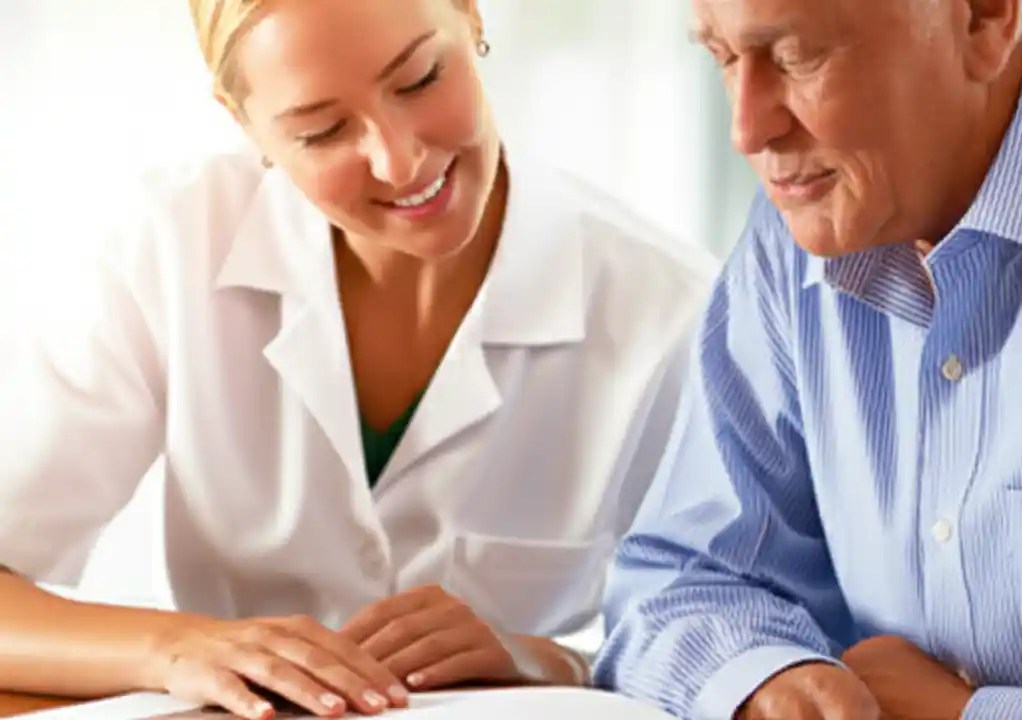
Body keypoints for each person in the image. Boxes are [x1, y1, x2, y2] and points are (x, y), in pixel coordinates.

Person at [0, 0, 715, 717]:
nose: (398, 159)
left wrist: (546, 658)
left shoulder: (672, 308)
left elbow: (739, 632)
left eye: (420, 80)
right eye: (322, 130)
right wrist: (177, 648)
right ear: (244, 122)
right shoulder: (170, 246)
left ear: (470, 17)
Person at [595, 0, 1022, 718]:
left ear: (985, 18)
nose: (746, 128)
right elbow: (677, 580)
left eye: (797, 57)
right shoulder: (799, 226)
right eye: (723, 57)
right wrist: (774, 678)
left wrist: (972, 715)